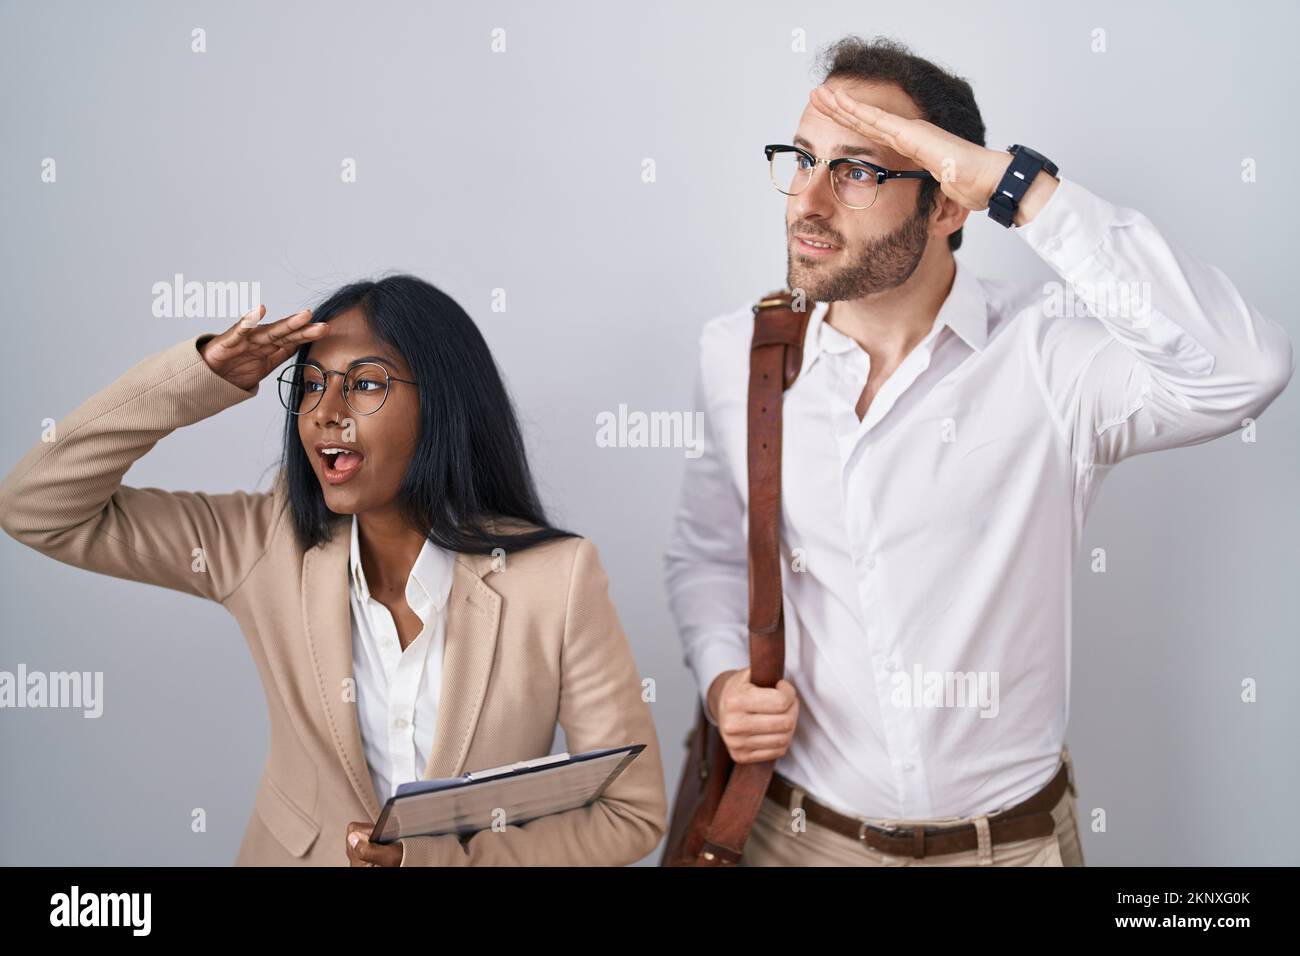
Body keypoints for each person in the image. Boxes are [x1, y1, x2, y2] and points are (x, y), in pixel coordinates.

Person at [664, 37, 1293, 866]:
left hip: (1011, 848)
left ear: (948, 204)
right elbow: (708, 553)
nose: (807, 202)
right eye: (803, 159)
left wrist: (1017, 186)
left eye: (857, 171)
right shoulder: (737, 353)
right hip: (796, 837)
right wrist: (721, 679)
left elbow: (1243, 371)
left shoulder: (1048, 361)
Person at [0, 274, 666, 866]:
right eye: (312, 384)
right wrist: (202, 378)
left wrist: (438, 861)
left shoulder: (557, 578)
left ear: (441, 405)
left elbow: (628, 816)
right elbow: (36, 505)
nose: (324, 411)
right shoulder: (261, 544)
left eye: (366, 384)